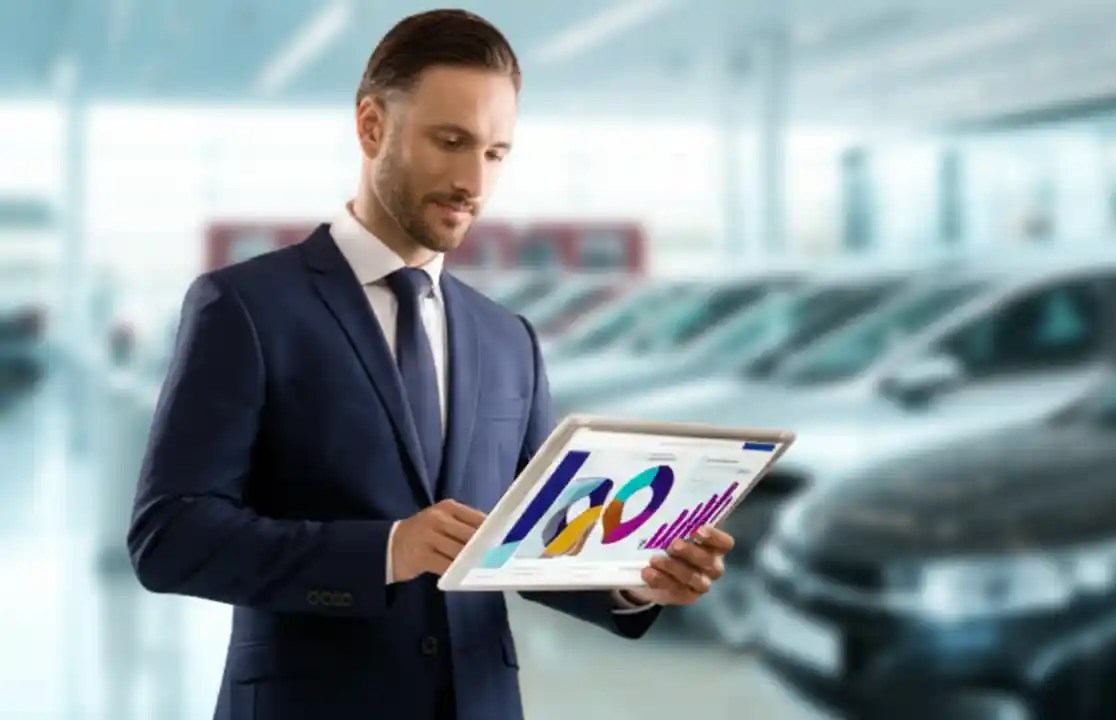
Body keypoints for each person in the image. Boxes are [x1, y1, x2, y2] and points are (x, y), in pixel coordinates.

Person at [126, 9, 737, 720]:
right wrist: (386, 550)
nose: (473, 180)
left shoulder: (508, 338)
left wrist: (639, 581)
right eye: (450, 142)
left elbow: (532, 541)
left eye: (496, 152)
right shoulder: (245, 307)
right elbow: (170, 536)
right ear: (371, 127)